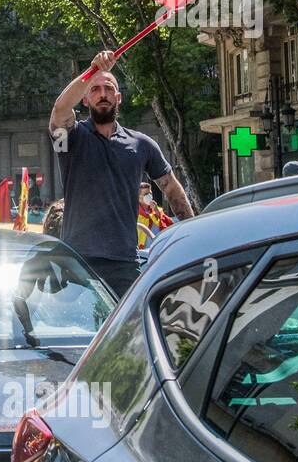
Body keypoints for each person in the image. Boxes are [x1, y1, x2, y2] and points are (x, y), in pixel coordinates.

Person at [49, 51, 193, 298]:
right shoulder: (72, 139)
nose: (102, 94)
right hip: (78, 262)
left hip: (124, 264)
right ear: (85, 100)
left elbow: (170, 187)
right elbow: (60, 108)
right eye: (95, 89)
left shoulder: (142, 144)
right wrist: (92, 70)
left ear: (118, 98)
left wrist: (192, 231)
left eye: (108, 89)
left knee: (128, 333)